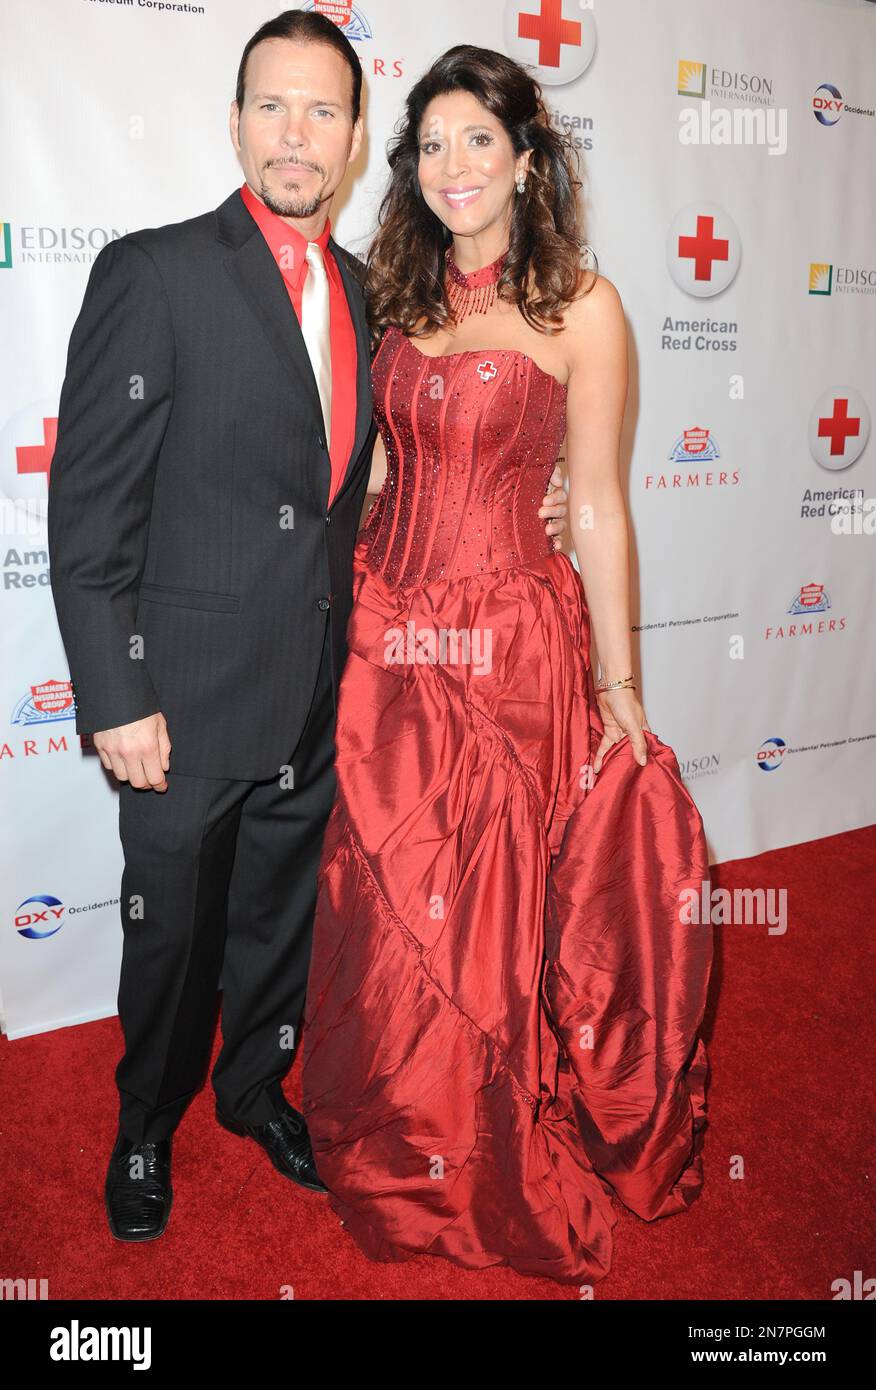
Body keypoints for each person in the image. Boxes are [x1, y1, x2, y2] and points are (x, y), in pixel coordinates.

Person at [46, 9, 573, 1243]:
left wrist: (536, 481)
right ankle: (143, 1125)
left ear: (349, 142)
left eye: (323, 111)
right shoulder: (155, 270)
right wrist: (116, 693)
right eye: (272, 107)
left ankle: (252, 1089)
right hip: (177, 695)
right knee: (170, 935)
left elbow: (371, 477)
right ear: (235, 124)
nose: (296, 134)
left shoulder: (366, 295)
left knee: (282, 917)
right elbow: (89, 510)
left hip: (322, 690)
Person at [300, 45, 713, 1286]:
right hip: (387, 625)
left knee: (484, 906)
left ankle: (477, 1136)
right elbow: (371, 470)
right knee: (380, 895)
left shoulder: (583, 307)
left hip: (511, 646)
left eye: (480, 139)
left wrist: (617, 687)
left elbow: (596, 504)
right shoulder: (392, 294)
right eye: (431, 143)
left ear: (528, 159)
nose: (453, 166)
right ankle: (393, 1118)